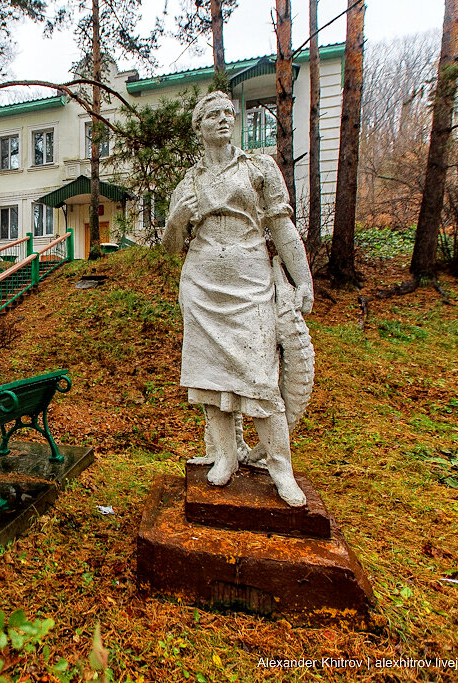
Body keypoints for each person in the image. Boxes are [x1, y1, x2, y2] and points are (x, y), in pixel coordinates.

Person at [162, 91, 313, 507]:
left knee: (261, 376)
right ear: (200, 127)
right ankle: (226, 456)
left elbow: (281, 228)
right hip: (201, 283)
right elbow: (171, 246)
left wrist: (303, 279)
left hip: (250, 281)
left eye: (229, 112)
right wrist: (177, 218)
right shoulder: (189, 183)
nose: (225, 119)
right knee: (211, 379)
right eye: (213, 114)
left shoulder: (258, 168)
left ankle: (280, 465)